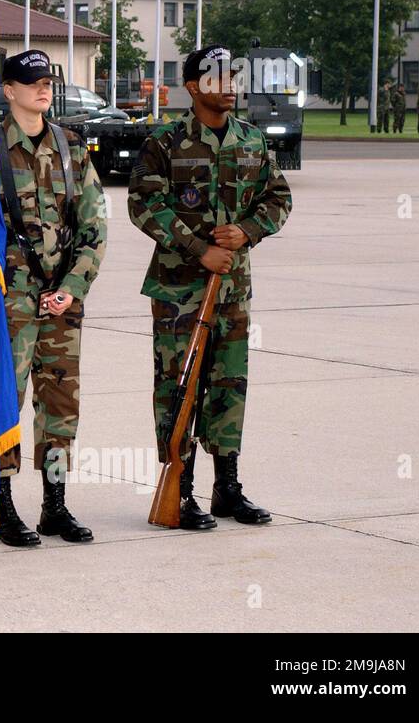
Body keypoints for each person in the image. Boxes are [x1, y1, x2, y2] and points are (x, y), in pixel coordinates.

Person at [0, 49, 107, 545]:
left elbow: (94, 225)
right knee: (4, 404)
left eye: (47, 81)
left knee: (59, 406)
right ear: (8, 91)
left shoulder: (71, 146)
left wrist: (73, 287)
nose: (42, 89)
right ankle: (3, 504)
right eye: (31, 82)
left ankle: (55, 504)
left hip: (61, 303)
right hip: (5, 304)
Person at [128, 44, 292, 529]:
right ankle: (181, 490)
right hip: (180, 291)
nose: (231, 85)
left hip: (233, 290)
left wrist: (248, 232)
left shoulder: (252, 140)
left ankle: (228, 488)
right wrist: (199, 248)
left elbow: (277, 197)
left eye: (235, 76)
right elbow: (144, 205)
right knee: (180, 389)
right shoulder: (166, 141)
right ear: (195, 87)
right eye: (220, 77)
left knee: (228, 386)